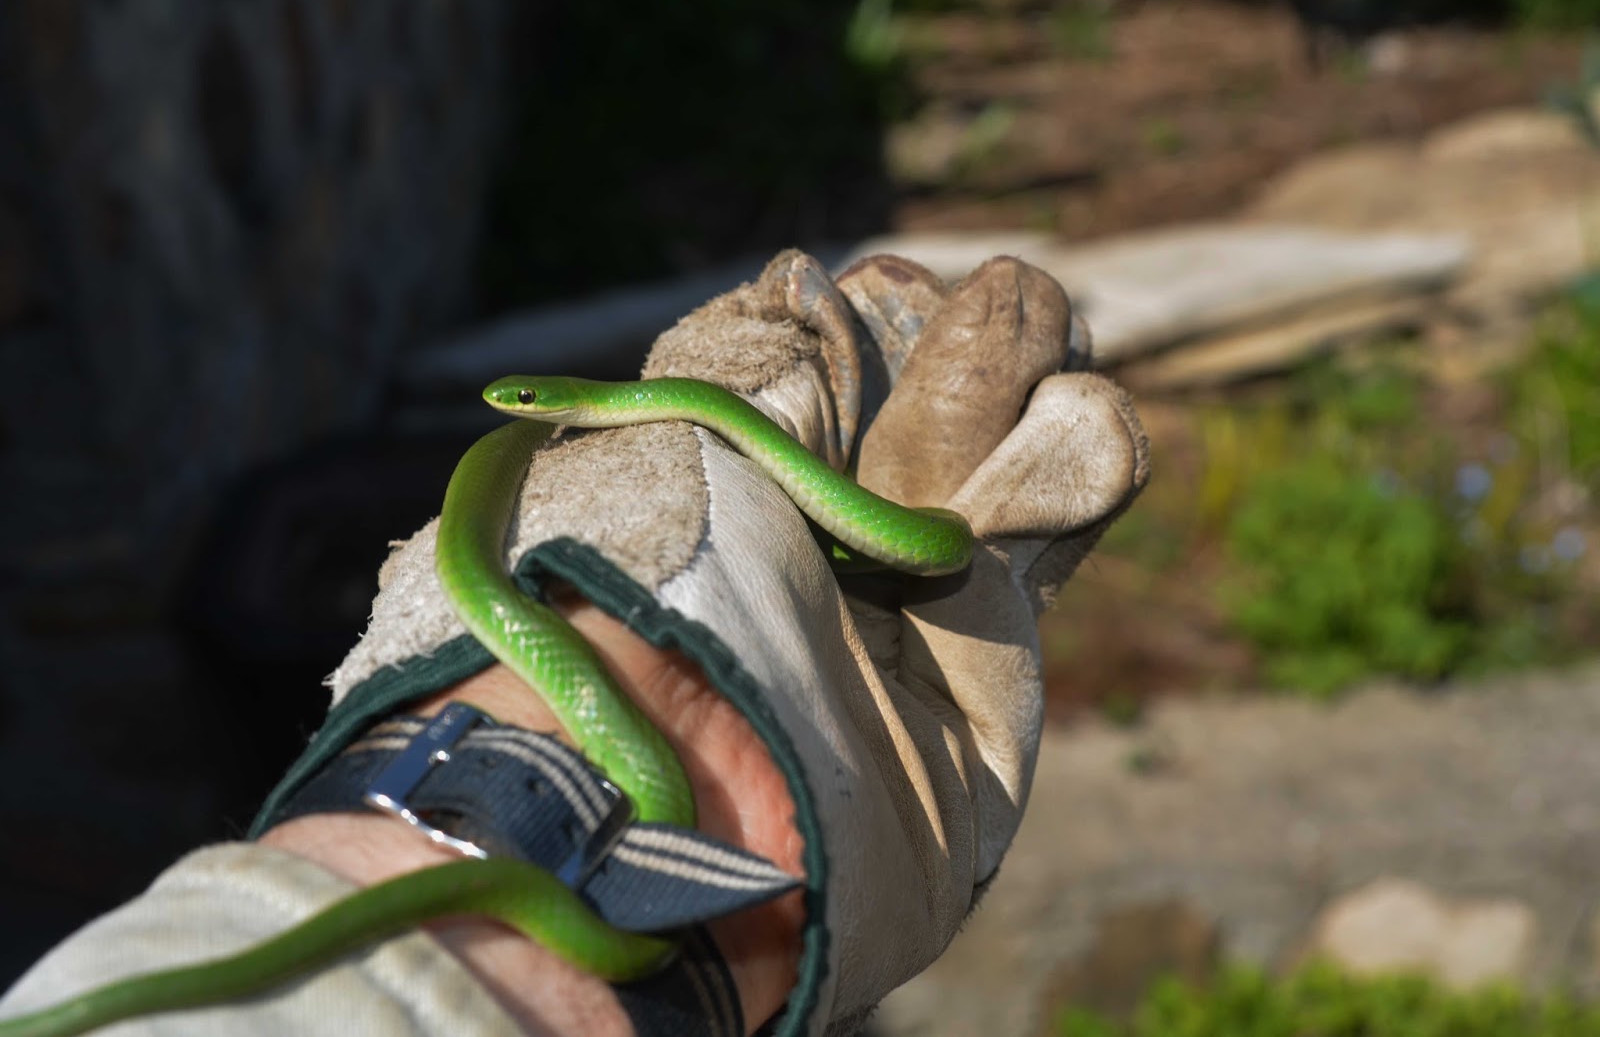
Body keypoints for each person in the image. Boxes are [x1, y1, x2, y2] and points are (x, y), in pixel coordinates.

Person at [0, 251, 1148, 1036]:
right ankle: (615, 786)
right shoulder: (517, 444)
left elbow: (931, 545)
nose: (508, 411)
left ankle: (564, 785)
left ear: (564, 398)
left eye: (521, 402)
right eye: (510, 405)